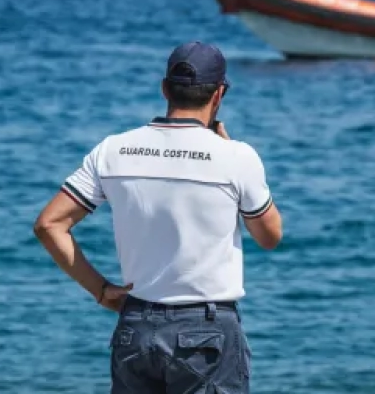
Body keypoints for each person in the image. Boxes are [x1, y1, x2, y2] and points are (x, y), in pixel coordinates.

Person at [33, 41, 283, 394]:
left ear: (165, 88)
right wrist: (233, 155)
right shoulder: (235, 157)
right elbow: (269, 236)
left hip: (135, 325)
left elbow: (49, 225)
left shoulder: (114, 150)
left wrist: (101, 291)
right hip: (205, 330)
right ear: (219, 94)